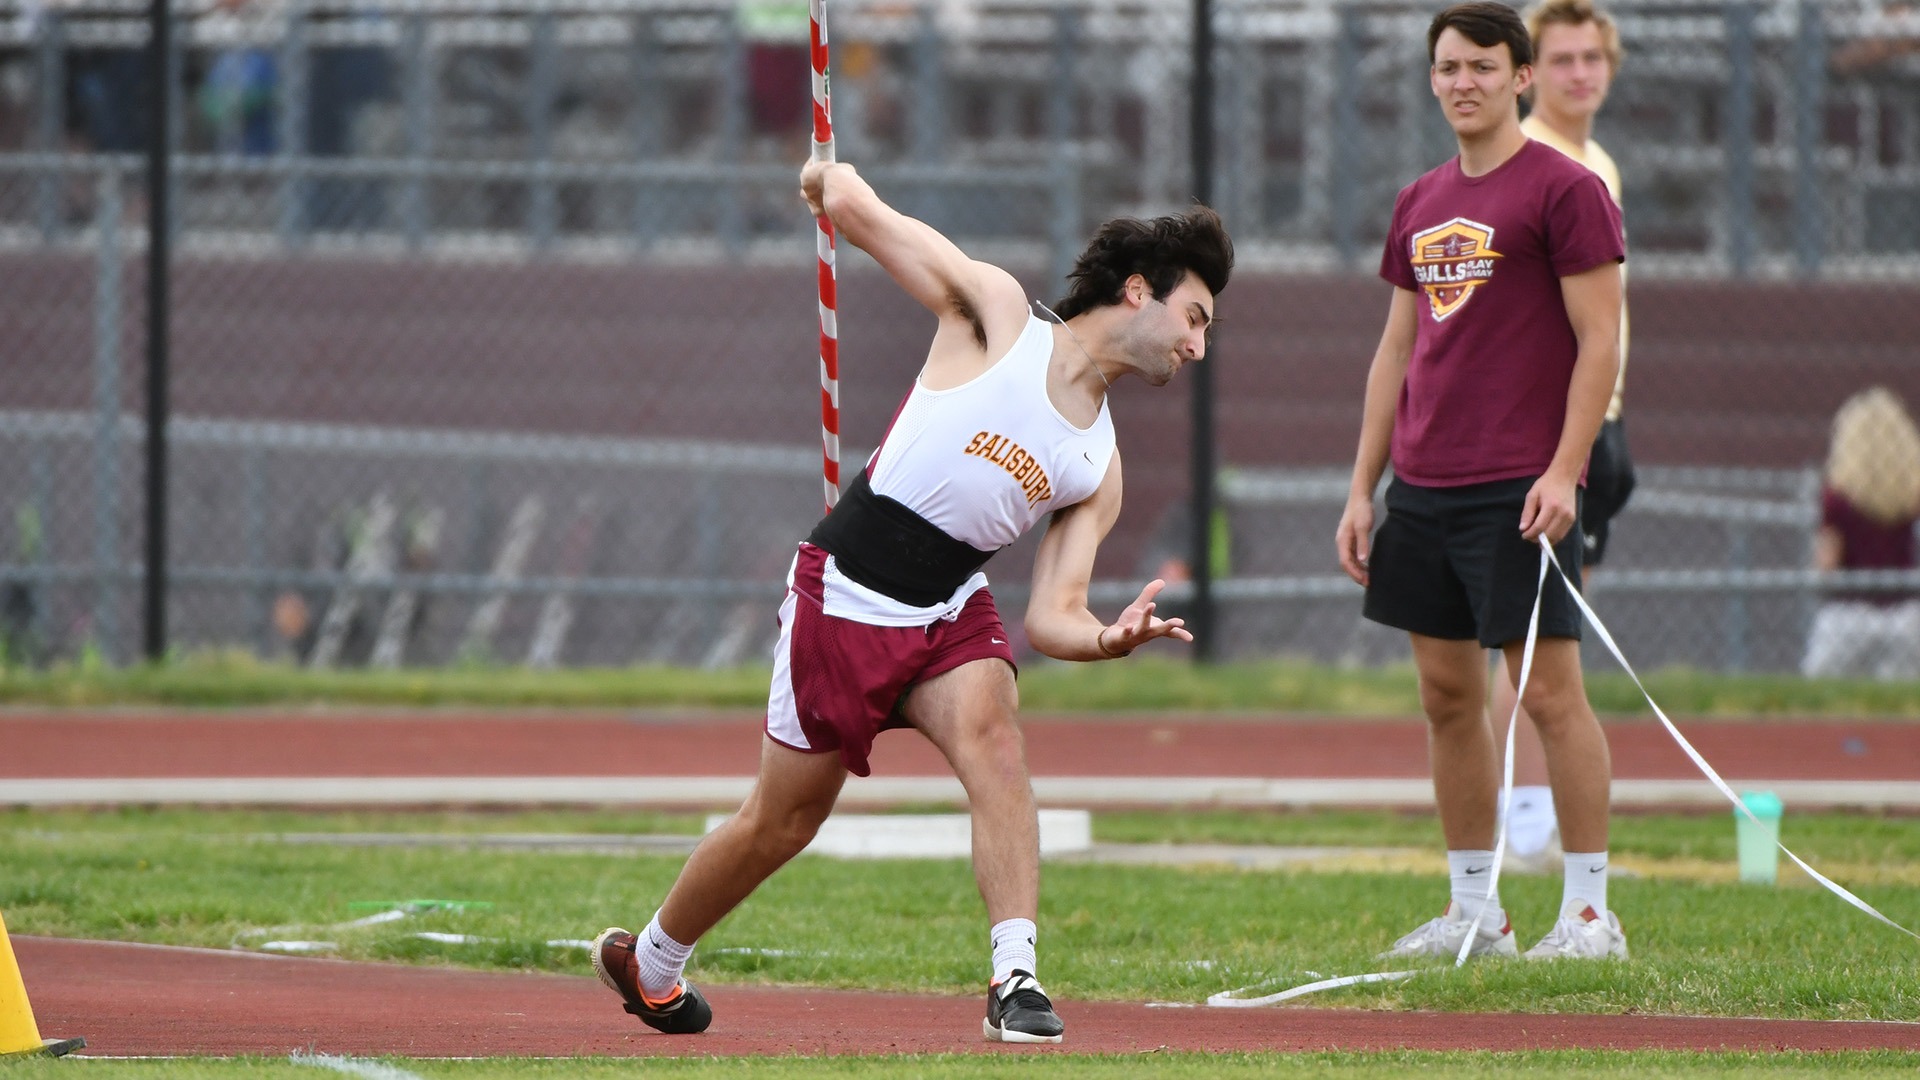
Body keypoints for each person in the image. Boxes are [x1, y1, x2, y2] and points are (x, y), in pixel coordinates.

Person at [591, 160, 1232, 1042]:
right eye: (1194, 317)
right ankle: (652, 963)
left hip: (947, 608)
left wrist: (1106, 639)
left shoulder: (1099, 467)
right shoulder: (998, 313)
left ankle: (1016, 981)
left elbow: (1053, 615)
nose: (1198, 345)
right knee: (782, 821)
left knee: (996, 742)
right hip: (846, 592)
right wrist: (831, 180)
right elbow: (860, 211)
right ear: (1136, 291)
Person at [1334, 2, 1627, 961]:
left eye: (1484, 67)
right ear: (1433, 80)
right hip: (1423, 486)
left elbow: (1600, 341)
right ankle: (1476, 913)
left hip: (1520, 486)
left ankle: (1589, 916)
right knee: (1446, 699)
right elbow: (1393, 351)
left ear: (1520, 77)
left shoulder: (1567, 189)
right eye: (1449, 67)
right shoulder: (1419, 200)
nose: (1465, 82)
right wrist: (1360, 490)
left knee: (1549, 696)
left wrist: (1564, 469)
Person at [1492, 0, 1638, 866]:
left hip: (1600, 427)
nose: (1580, 73)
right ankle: (1524, 819)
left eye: (1594, 58)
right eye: (1563, 59)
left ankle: (1542, 820)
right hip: (1541, 441)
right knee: (1521, 649)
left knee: (1555, 645)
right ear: (1530, 72)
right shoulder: (1533, 163)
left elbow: (1606, 324)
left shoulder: (1599, 164)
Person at [1803, 387, 1920, 681]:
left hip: (1848, 613)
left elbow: (1827, 564)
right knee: (1903, 704)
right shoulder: (1912, 496)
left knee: (1820, 696)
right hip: (1905, 612)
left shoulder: (1837, 498)